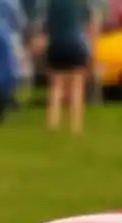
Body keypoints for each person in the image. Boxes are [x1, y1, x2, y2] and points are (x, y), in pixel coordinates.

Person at [37, 0, 94, 133]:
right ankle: (76, 126)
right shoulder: (81, 3)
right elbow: (89, 25)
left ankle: (53, 123)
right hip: (76, 45)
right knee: (77, 86)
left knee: (56, 86)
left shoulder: (52, 3)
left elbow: (46, 27)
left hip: (56, 45)